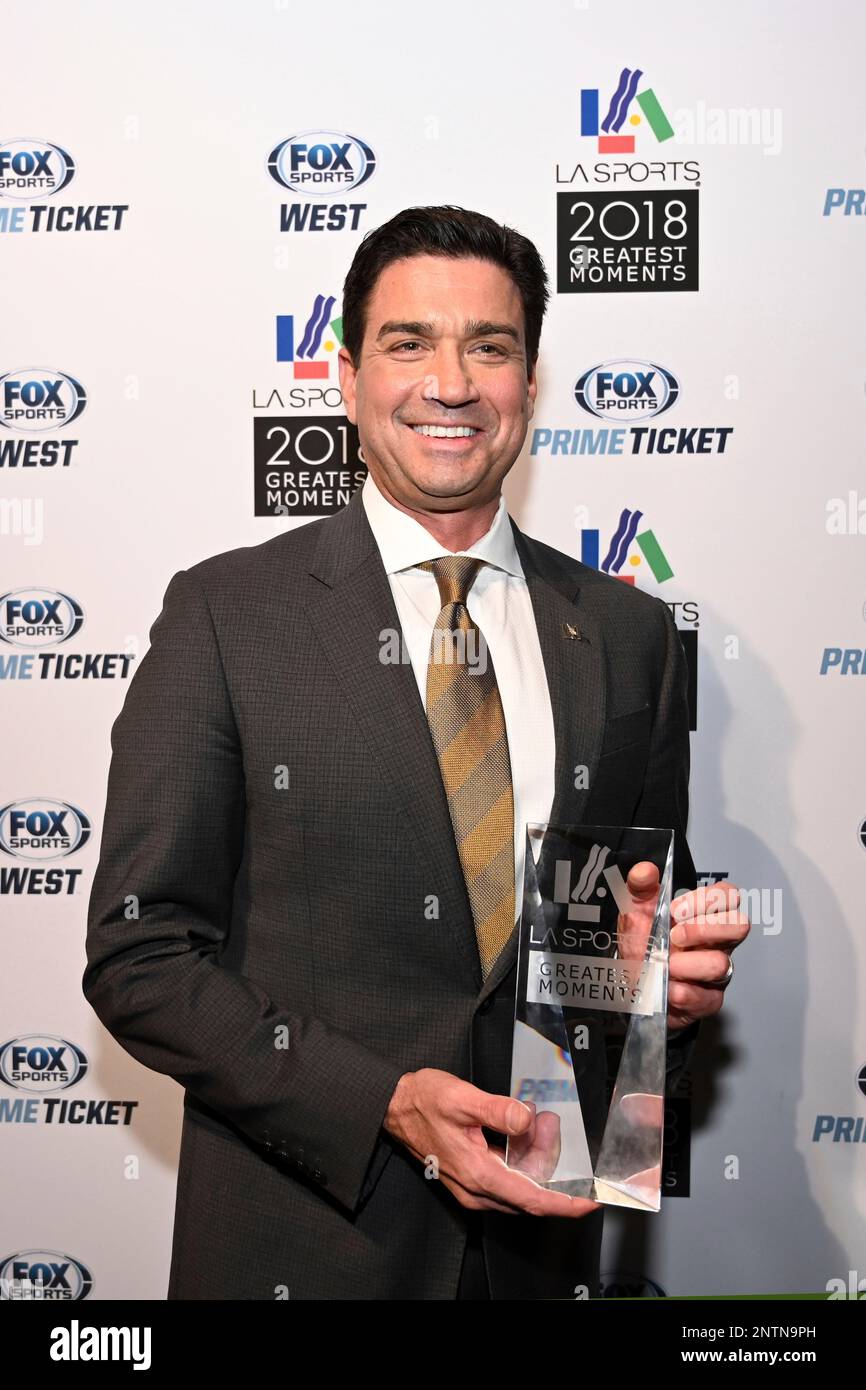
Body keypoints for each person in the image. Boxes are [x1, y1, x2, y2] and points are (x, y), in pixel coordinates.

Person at [83, 206, 750, 1301]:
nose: (449, 383)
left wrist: (655, 999)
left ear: (528, 382)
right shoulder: (225, 615)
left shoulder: (625, 636)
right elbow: (140, 954)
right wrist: (382, 1100)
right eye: (408, 344)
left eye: (487, 347)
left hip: (544, 1252)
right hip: (306, 1252)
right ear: (345, 378)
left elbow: (625, 935)